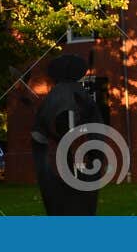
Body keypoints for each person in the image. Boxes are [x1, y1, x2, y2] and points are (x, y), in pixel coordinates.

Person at [30, 53, 105, 215]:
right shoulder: (76, 93)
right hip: (65, 150)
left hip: (63, 150)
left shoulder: (55, 95)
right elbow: (94, 123)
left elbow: (40, 129)